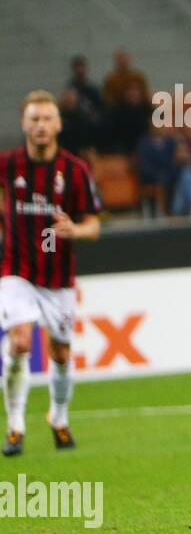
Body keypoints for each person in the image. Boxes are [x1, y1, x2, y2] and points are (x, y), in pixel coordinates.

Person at [1, 91, 102, 456]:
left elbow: (94, 225)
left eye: (47, 118)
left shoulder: (75, 170)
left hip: (57, 277)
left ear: (58, 124)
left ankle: (58, 418)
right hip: (16, 271)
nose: (40, 125)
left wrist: (76, 230)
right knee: (21, 342)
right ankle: (14, 426)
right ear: (24, 124)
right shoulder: (8, 165)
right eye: (34, 119)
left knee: (60, 352)